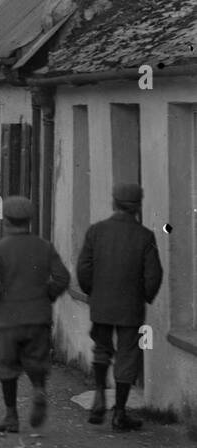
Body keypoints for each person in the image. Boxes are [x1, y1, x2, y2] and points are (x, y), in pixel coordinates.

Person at [0, 195, 71, 433]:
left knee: (6, 366)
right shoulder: (44, 246)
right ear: (29, 220)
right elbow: (62, 277)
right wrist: (47, 296)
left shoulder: (0, 249)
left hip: (8, 319)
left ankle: (11, 415)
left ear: (6, 220)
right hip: (38, 317)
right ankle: (38, 389)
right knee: (36, 359)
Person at [76, 183, 164, 431]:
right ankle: (120, 413)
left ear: (114, 203)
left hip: (101, 304)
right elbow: (154, 275)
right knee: (128, 356)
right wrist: (145, 296)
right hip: (130, 307)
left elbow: (84, 269)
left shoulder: (96, 232)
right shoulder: (145, 236)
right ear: (138, 207)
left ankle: (99, 395)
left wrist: (93, 292)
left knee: (102, 349)